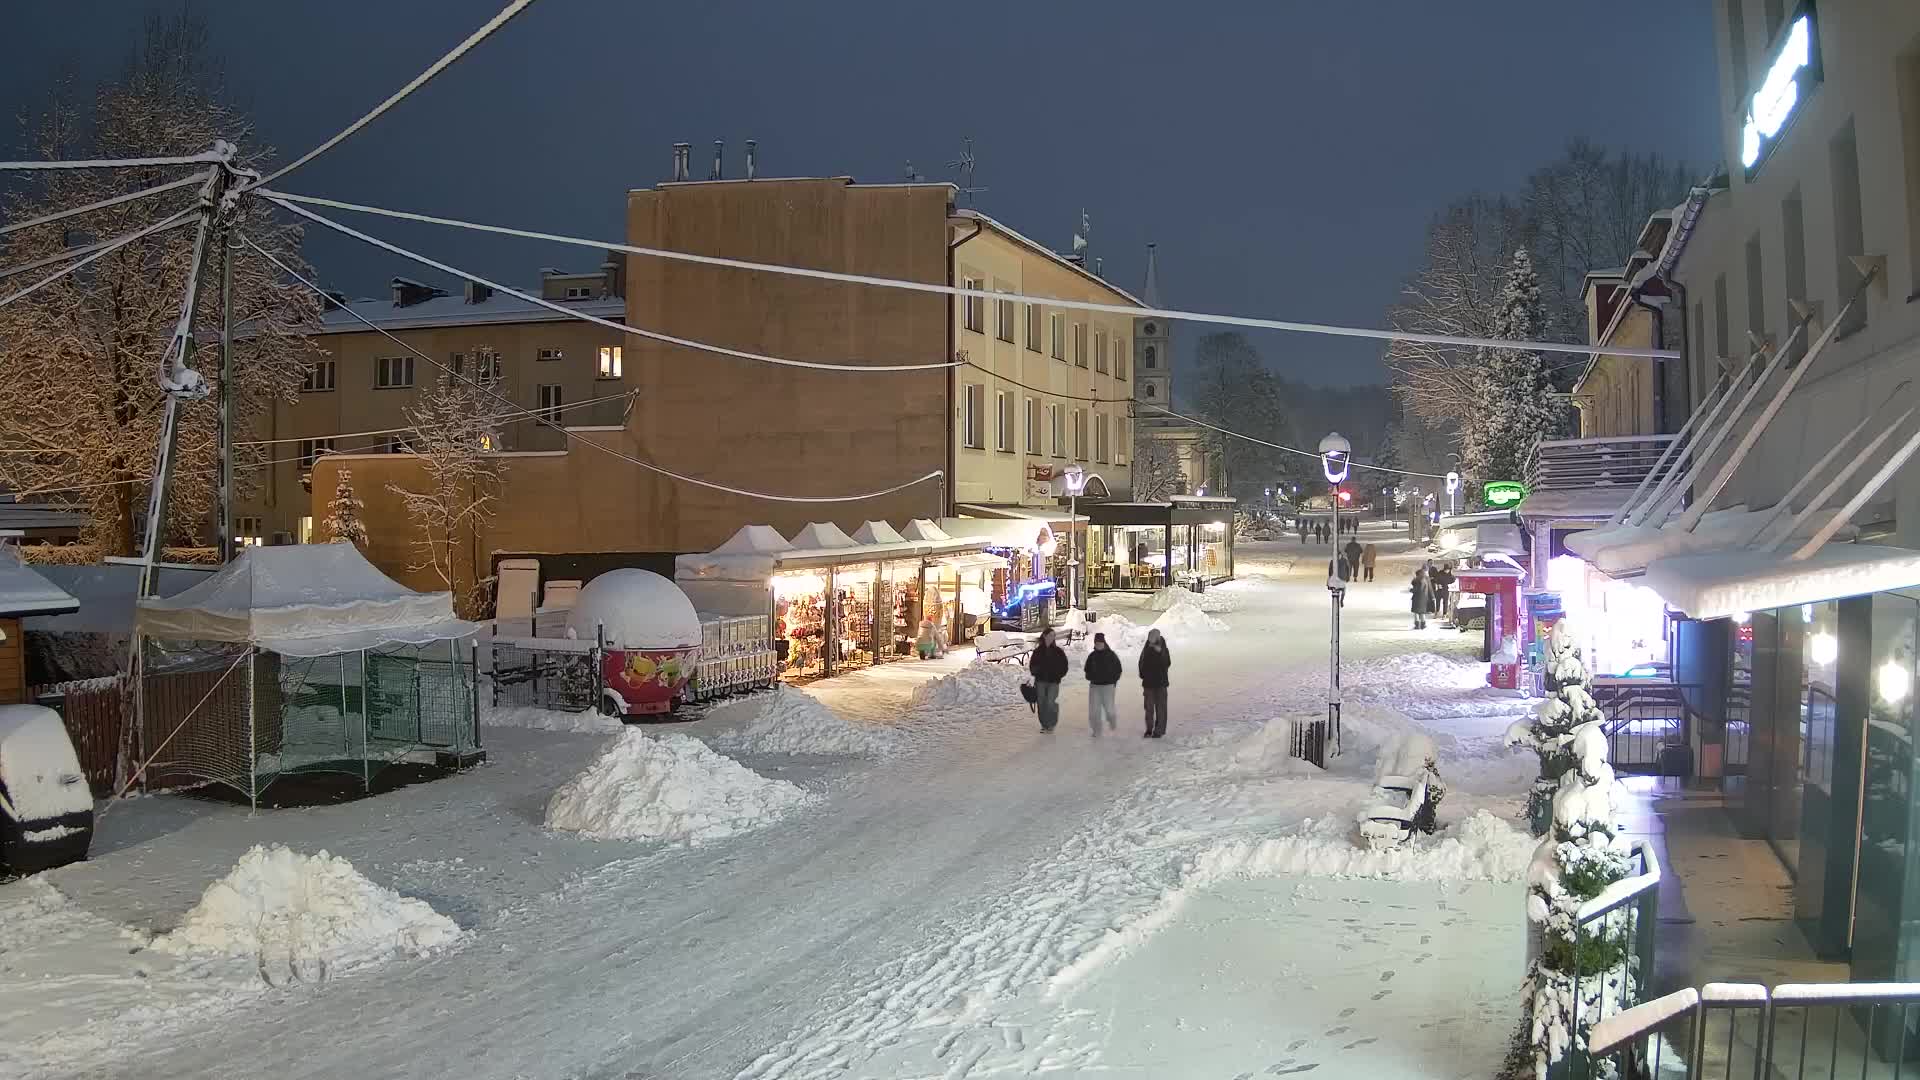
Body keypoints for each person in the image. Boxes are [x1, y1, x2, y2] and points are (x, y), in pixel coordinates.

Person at [1028, 628, 1068, 732]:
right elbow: (1032, 665)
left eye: (1053, 635)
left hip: (1053, 681)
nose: (1052, 637)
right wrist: (1036, 671)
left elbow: (1064, 665)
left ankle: (1051, 723)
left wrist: (1059, 675)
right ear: (1045, 636)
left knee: (1050, 702)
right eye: (1050, 635)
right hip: (1040, 681)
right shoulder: (1038, 651)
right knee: (1041, 703)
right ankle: (1044, 724)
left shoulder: (1058, 651)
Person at [1083, 632, 1122, 736]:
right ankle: (1096, 730)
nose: (1098, 645)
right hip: (1095, 686)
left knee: (1109, 709)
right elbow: (1086, 669)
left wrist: (1113, 680)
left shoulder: (1111, 655)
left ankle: (1112, 720)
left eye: (1100, 643)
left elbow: (1118, 669)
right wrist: (1089, 676)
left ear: (1104, 643)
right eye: (1096, 643)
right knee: (1094, 711)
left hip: (1108, 686)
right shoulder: (1092, 656)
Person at [1138, 628, 1171, 738]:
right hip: (1148, 684)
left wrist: (1160, 652)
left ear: (1157, 638)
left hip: (1161, 683)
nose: (1150, 640)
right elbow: (1141, 662)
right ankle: (1149, 729)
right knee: (1149, 708)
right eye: (1149, 637)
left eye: (1152, 638)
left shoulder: (1163, 648)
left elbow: (1167, 662)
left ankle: (1159, 730)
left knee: (1161, 708)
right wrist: (1142, 674)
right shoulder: (1146, 648)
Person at [1410, 564, 1432, 630]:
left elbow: (1417, 589)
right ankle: (1423, 624)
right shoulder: (1425, 580)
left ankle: (1417, 625)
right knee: (1422, 613)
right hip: (1424, 599)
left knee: (1416, 612)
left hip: (1417, 599)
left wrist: (1411, 590)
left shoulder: (1419, 581)